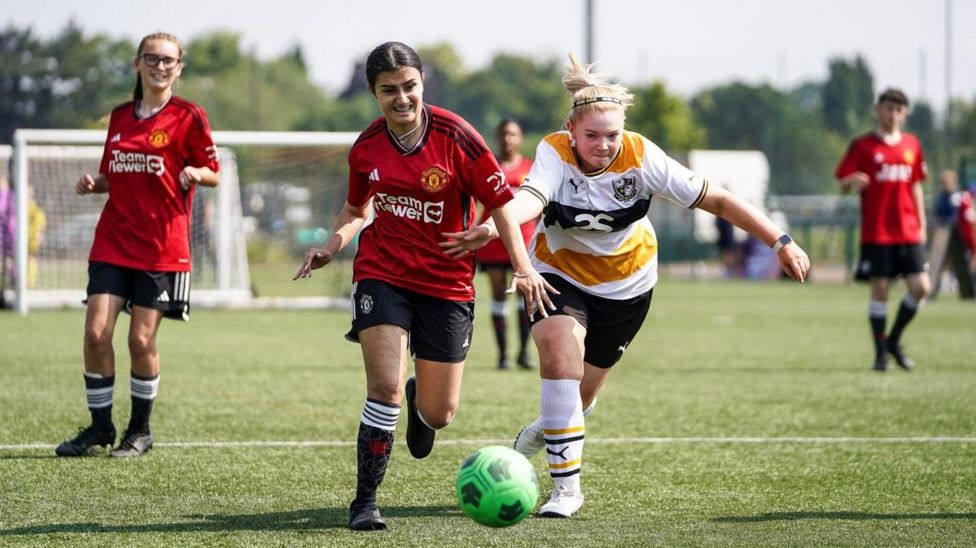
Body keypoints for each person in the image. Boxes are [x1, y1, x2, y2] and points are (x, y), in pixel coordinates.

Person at [452, 53, 809, 518]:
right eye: (592, 136)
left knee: (581, 396)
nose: (603, 145)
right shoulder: (553, 151)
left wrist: (780, 241)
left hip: (628, 284)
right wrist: (491, 227)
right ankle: (566, 491)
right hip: (558, 274)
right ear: (572, 131)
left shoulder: (642, 156)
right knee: (561, 360)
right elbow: (529, 200)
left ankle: (548, 426)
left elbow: (718, 200)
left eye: (611, 135)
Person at [293, 42, 553, 532]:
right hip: (382, 272)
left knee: (440, 412)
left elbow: (501, 204)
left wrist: (522, 266)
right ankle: (365, 502)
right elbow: (355, 210)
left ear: (422, 84)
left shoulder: (459, 137)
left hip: (447, 282)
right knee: (383, 388)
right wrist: (330, 246)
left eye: (409, 86)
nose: (401, 98)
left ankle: (420, 402)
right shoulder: (366, 146)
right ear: (373, 92)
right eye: (389, 90)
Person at [55, 32, 220, 458]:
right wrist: (96, 184)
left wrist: (196, 174)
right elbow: (115, 175)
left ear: (179, 67)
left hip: (162, 247)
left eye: (168, 60)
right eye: (152, 58)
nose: (159, 66)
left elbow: (213, 170)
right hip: (112, 241)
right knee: (95, 334)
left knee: (140, 342)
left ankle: (140, 431)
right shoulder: (120, 117)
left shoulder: (189, 116)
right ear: (137, 63)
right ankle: (100, 428)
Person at [835, 88, 930, 372]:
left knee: (921, 287)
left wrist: (922, 223)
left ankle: (894, 339)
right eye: (888, 108)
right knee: (881, 289)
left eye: (898, 110)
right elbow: (842, 183)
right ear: (878, 109)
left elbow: (915, 186)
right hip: (878, 231)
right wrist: (851, 181)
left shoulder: (912, 144)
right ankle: (880, 355)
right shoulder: (863, 146)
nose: (893, 114)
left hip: (908, 230)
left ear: (905, 114)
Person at [475, 119, 537, 369]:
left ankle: (523, 354)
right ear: (498, 137)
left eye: (513, 134)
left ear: (520, 138)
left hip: (524, 242)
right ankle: (502, 356)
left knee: (526, 298)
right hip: (493, 243)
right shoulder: (488, 166)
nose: (508, 139)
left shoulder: (531, 168)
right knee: (499, 296)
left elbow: (539, 206)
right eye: (504, 134)